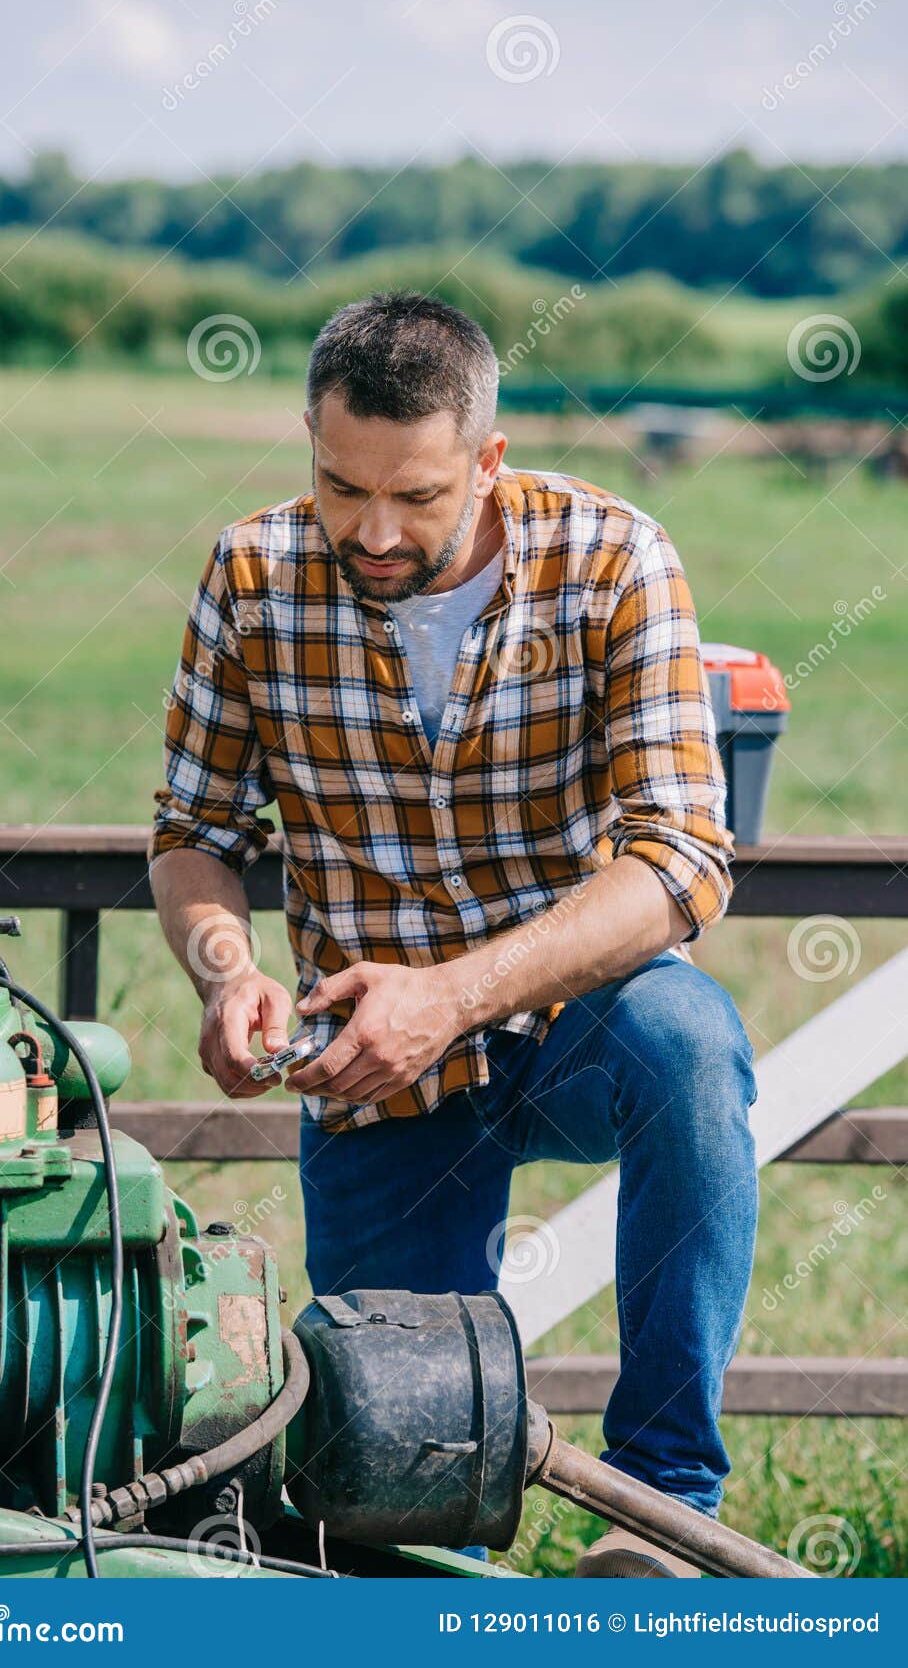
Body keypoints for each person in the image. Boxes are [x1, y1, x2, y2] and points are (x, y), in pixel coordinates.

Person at [149, 292, 757, 1578]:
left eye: (416, 497)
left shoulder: (613, 554)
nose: (372, 530)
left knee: (690, 1042)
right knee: (388, 1498)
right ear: (309, 441)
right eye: (339, 484)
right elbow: (196, 831)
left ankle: (665, 1512)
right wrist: (230, 967)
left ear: (489, 460)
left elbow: (683, 861)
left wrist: (454, 994)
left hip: (571, 1024)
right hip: (375, 1069)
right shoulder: (252, 570)